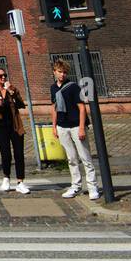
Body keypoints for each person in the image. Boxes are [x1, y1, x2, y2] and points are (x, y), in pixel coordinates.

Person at [50, 58, 99, 201]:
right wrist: (54, 126)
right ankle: (76, 186)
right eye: (60, 72)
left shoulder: (73, 87)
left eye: (65, 72)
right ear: (54, 72)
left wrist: (82, 128)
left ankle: (92, 186)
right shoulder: (53, 88)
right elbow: (54, 108)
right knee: (71, 159)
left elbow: (82, 108)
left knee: (85, 157)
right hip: (62, 126)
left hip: (76, 125)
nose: (62, 75)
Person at [0, 67, 30, 194]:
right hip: (0, 126)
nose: (3, 78)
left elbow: (21, 105)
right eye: (0, 76)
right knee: (6, 153)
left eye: (5, 75)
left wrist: (12, 92)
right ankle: (6, 178)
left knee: (19, 153)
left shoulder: (12, 89)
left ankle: (20, 182)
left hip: (15, 124)